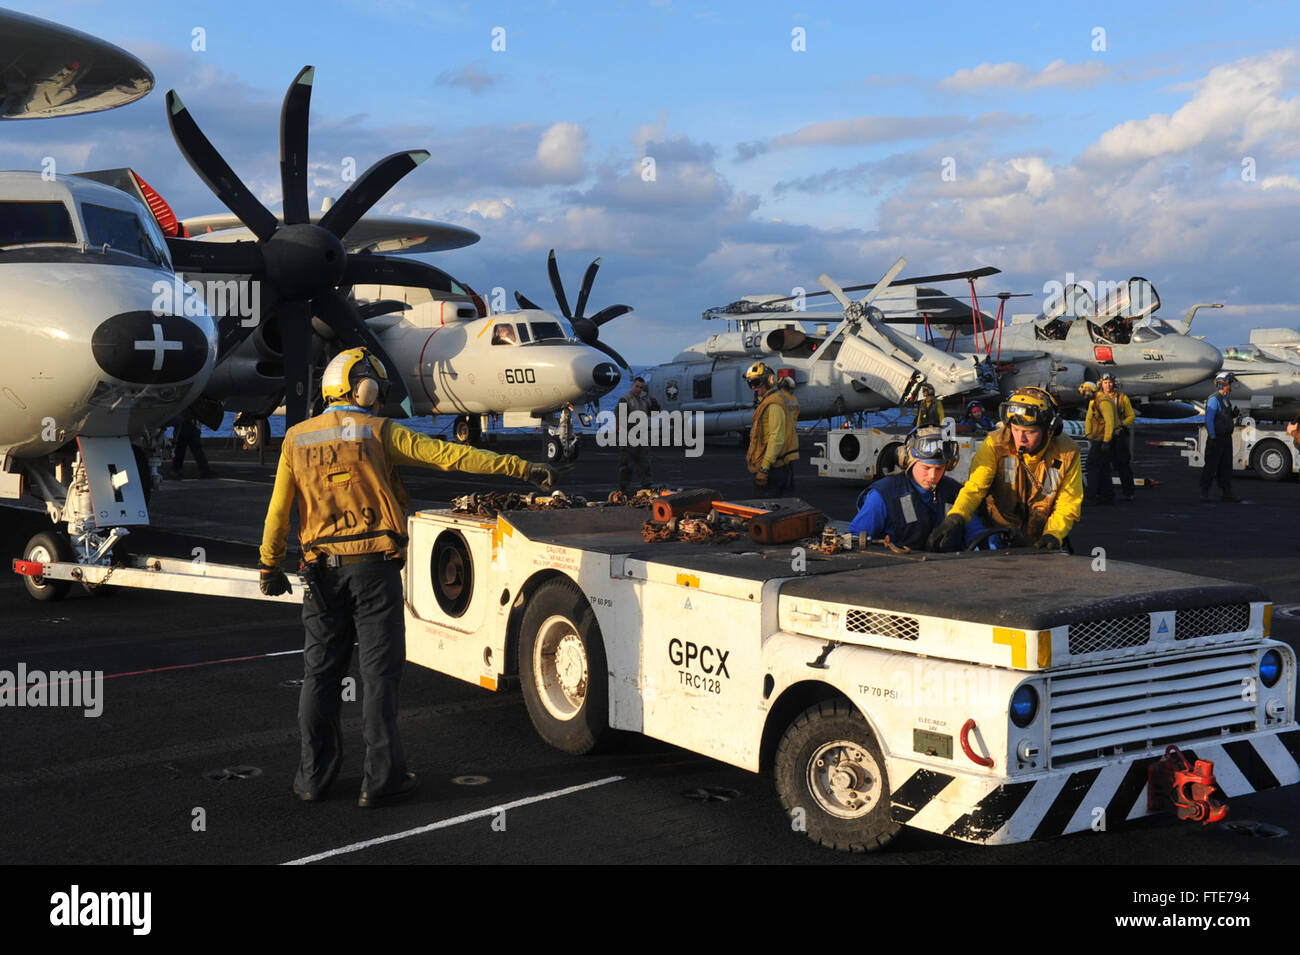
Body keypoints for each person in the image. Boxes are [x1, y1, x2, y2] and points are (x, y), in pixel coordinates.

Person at [258, 347, 555, 807]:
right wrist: (520, 467)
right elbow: (450, 457)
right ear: (365, 389)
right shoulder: (380, 432)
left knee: (318, 676)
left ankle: (311, 778)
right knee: (378, 676)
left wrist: (269, 565)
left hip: (319, 575)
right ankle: (380, 781)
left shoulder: (295, 438)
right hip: (373, 573)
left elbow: (278, 512)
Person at [928, 386, 1083, 551]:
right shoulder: (995, 444)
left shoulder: (1067, 453)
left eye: (1029, 432)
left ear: (1050, 430)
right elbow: (975, 488)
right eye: (1015, 430)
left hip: (1042, 543)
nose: (1020, 439)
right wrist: (956, 517)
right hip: (998, 539)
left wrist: (1053, 534)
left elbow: (1068, 503)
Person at [849, 426, 990, 550]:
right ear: (908, 462)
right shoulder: (883, 495)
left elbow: (977, 535)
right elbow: (857, 539)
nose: (933, 475)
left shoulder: (956, 493)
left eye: (939, 468)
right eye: (926, 467)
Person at [745, 361, 797, 494]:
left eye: (756, 383)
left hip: (773, 470)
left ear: (770, 381)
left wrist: (764, 469)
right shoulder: (772, 401)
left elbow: (776, 438)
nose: (754, 388)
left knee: (765, 509)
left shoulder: (773, 404)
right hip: (773, 467)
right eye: (750, 384)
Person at [1200, 371, 1239, 503]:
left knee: (1226, 466)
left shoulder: (1226, 400)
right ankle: (1204, 493)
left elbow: (1223, 416)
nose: (1231, 386)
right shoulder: (1214, 399)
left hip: (1226, 438)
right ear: (1223, 384)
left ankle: (1226, 493)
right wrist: (1212, 436)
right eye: (1230, 383)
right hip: (1216, 438)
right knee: (1211, 466)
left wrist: (1233, 415)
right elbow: (1209, 419)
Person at [1080, 381, 1117, 505]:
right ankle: (1106, 496)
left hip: (1103, 440)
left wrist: (1106, 441)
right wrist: (1089, 434)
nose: (1083, 396)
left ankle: (1091, 496)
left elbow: (1109, 422)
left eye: (1084, 393)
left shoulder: (1103, 401)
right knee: (1103, 468)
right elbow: (1089, 418)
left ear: (1090, 391)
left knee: (1092, 466)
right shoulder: (1094, 401)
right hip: (1098, 438)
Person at [1100, 373, 1136, 500]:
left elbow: (1131, 416)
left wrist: (1121, 424)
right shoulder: (1097, 398)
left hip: (1118, 435)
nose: (1108, 385)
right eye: (1105, 383)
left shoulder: (1122, 398)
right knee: (1103, 465)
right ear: (1101, 384)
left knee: (1123, 464)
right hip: (1102, 436)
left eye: (1110, 382)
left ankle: (1129, 492)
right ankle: (1106, 493)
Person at [616, 376, 654, 493]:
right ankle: (624, 489)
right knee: (627, 464)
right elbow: (620, 417)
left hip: (642, 437)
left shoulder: (644, 401)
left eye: (641, 387)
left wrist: (653, 400)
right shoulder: (625, 399)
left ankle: (647, 487)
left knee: (645, 463)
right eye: (636, 386)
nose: (638, 389)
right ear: (632, 386)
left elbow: (654, 412)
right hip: (628, 437)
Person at [171, 406, 212, 479]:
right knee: (193, 450)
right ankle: (204, 470)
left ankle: (176, 470)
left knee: (183, 450)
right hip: (188, 425)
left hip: (188, 425)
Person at [777, 373, 800, 489]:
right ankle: (790, 482)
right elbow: (796, 415)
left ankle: (781, 483)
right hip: (791, 433)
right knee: (789, 461)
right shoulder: (794, 400)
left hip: (780, 433)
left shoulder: (779, 399)